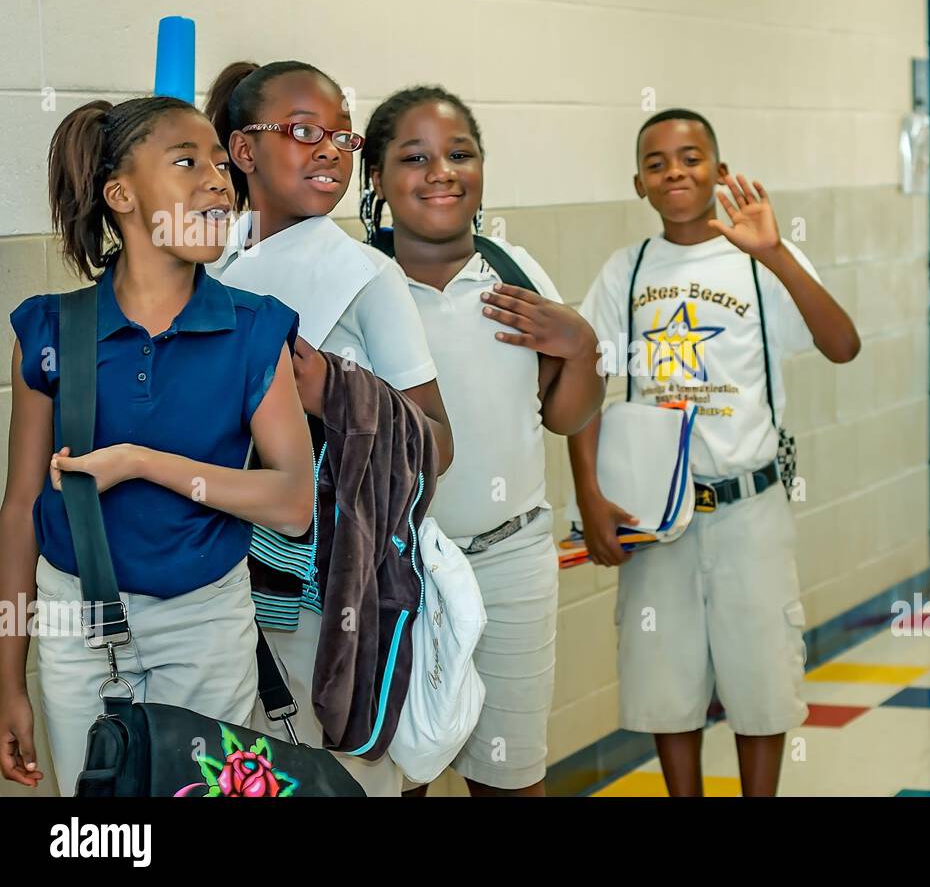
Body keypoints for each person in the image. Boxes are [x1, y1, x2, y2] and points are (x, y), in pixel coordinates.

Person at [0, 96, 313, 795]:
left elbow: (293, 503)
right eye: (185, 161)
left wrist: (141, 462)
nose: (217, 179)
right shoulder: (50, 331)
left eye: (218, 162)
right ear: (120, 195)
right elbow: (21, 507)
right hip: (73, 617)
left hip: (205, 622)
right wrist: (6, 682)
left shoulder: (254, 330)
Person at [569, 109, 860, 796]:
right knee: (665, 682)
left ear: (721, 172)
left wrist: (776, 253)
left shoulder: (758, 263)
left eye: (692, 157)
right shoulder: (626, 270)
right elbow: (585, 381)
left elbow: (842, 345)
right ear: (638, 183)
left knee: (761, 683)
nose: (676, 172)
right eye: (658, 162)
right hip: (658, 514)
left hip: (747, 507)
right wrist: (588, 493)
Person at [204, 61, 454, 796]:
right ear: (243, 152)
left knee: (334, 774)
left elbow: (438, 438)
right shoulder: (205, 261)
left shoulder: (363, 275)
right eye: (304, 132)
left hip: (326, 589)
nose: (329, 151)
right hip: (216, 584)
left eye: (341, 136)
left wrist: (337, 396)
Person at [360, 85, 603, 796]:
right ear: (375, 177)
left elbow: (566, 416)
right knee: (396, 776)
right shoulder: (358, 285)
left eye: (459, 153)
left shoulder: (514, 270)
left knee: (509, 775)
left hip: (511, 559)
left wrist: (582, 347)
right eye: (415, 157)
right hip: (391, 572)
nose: (441, 172)